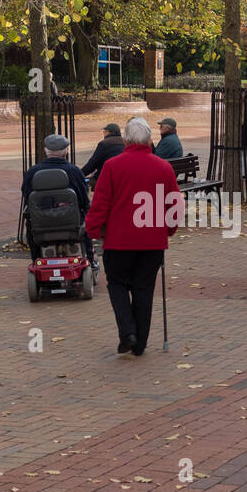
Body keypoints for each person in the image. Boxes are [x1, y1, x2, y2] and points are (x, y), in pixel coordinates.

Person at [85, 116, 182, 356]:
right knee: (144, 288)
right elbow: (174, 204)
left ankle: (127, 331)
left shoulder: (113, 166)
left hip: (119, 241)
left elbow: (101, 203)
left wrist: (92, 229)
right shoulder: (163, 167)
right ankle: (140, 343)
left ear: (127, 139)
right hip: (152, 242)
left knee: (117, 284)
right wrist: (168, 230)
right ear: (149, 139)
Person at [24, 134, 95, 268]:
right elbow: (83, 199)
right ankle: (91, 260)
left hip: (41, 225)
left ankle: (36, 260)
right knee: (85, 219)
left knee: (30, 224)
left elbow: (27, 197)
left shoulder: (32, 172)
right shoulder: (74, 172)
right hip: (71, 224)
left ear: (46, 151)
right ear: (65, 152)